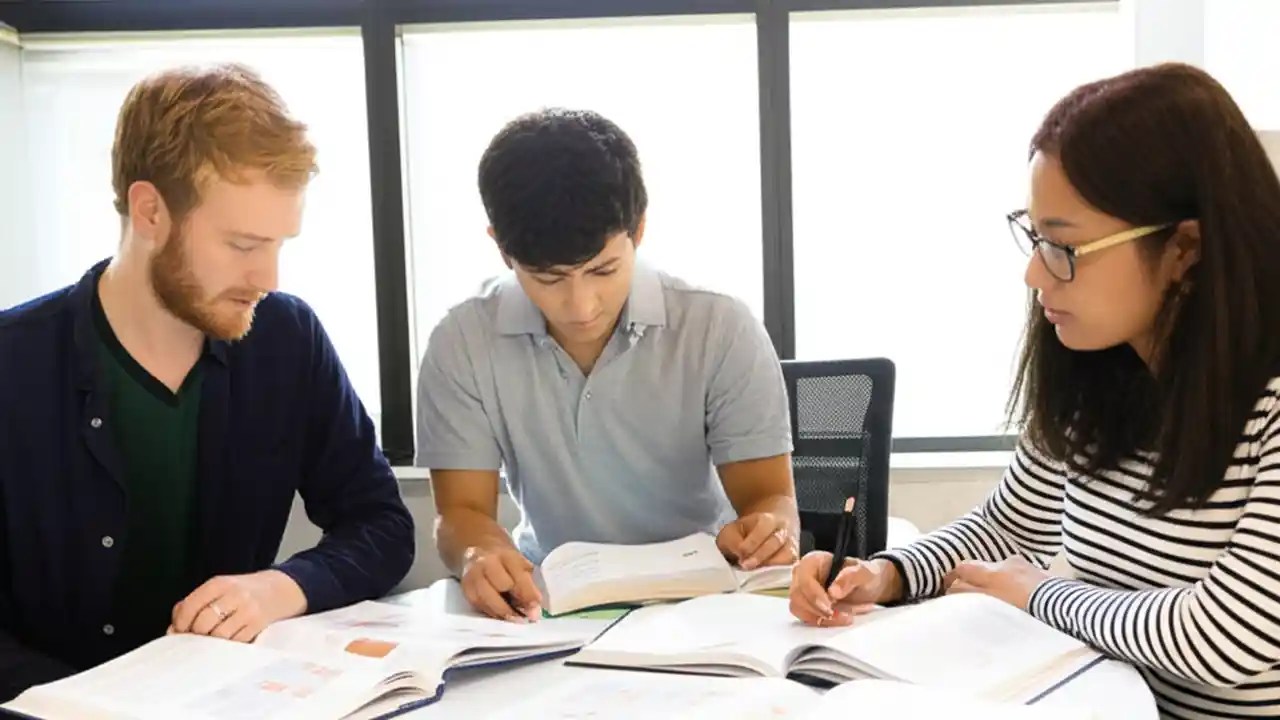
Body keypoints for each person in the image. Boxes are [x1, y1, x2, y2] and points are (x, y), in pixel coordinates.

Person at [789, 63, 1280, 717]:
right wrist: (886, 574)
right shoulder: (1098, 374)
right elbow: (1007, 526)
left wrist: (1035, 594)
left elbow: (1231, 637)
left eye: (1064, 245)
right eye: (1036, 236)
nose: (1033, 272)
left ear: (1185, 248)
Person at [0, 64, 415, 701]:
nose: (270, 276)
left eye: (280, 243)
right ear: (150, 212)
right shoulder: (13, 362)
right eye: (243, 244)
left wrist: (281, 587)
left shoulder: (287, 339)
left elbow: (382, 525)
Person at [417, 108, 799, 621]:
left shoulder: (720, 327)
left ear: (638, 230)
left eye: (603, 269)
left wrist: (769, 529)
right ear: (501, 248)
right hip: (549, 604)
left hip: (704, 602)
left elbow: (770, 497)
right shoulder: (460, 342)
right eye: (548, 279)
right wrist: (478, 554)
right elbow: (461, 512)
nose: (581, 306)